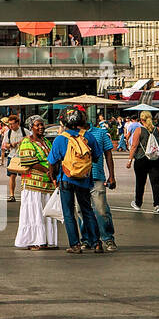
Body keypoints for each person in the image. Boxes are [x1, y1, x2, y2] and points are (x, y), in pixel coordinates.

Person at [47, 106, 104, 253]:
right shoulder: (88, 136)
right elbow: (97, 157)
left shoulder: (60, 139)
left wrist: (53, 177)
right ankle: (96, 243)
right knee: (87, 210)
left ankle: (75, 245)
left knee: (68, 212)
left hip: (66, 179)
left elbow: (52, 162)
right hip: (84, 180)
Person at [12, 115, 59, 249]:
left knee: (46, 213)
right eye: (37, 125)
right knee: (34, 213)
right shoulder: (26, 141)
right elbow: (28, 161)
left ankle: (47, 240)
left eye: (42, 124)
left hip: (47, 183)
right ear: (31, 127)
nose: (40, 127)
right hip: (33, 184)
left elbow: (52, 157)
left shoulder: (46, 141)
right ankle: (35, 241)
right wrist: (47, 170)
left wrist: (53, 172)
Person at [83, 109, 117, 251]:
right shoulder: (72, 134)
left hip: (97, 176)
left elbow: (108, 154)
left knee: (101, 210)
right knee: (82, 211)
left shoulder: (100, 133)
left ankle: (108, 238)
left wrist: (112, 175)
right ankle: (87, 239)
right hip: (80, 177)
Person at [128, 110, 159, 212]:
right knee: (155, 182)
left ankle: (138, 203)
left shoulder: (139, 130)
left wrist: (130, 160)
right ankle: (157, 205)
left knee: (140, 182)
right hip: (157, 159)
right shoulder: (157, 130)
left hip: (142, 159)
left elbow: (134, 146)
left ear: (141, 119)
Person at [0, 115, 24, 202]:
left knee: (24, 177)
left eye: (12, 124)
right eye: (9, 124)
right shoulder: (8, 133)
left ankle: (24, 194)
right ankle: (11, 195)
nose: (11, 126)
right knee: (12, 176)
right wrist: (11, 145)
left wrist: (25, 141)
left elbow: (32, 140)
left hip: (23, 157)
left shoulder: (25, 131)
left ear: (17, 123)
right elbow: (5, 145)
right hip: (12, 156)